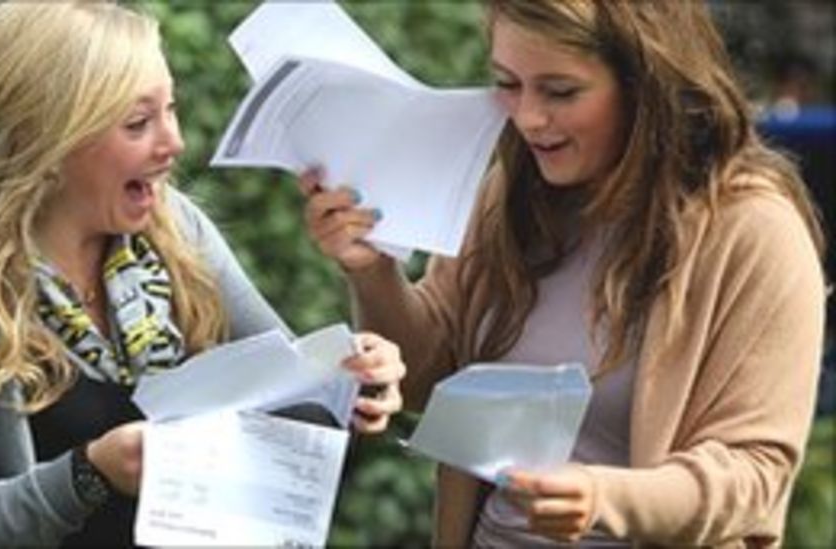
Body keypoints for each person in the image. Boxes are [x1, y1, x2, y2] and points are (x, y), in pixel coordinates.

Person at [0, 2, 405, 547]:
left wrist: (350, 381)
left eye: (172, 110)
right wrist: (88, 473)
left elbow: (290, 399)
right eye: (139, 123)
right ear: (48, 140)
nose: (175, 143)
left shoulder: (177, 232)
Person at [299, 0, 826, 546]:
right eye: (508, 83)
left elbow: (755, 473)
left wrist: (603, 497)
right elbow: (426, 372)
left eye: (560, 92)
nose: (527, 116)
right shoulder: (508, 195)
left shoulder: (754, 232)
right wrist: (373, 270)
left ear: (646, 87)